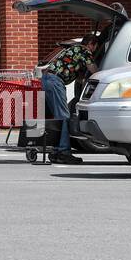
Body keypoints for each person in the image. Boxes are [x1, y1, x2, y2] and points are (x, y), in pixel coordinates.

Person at [39, 36, 96, 164]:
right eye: (94, 47)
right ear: (91, 44)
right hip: (56, 81)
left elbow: (78, 76)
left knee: (57, 118)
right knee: (64, 117)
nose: (93, 51)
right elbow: (93, 70)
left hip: (47, 79)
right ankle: (63, 152)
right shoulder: (84, 50)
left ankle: (55, 150)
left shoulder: (73, 49)